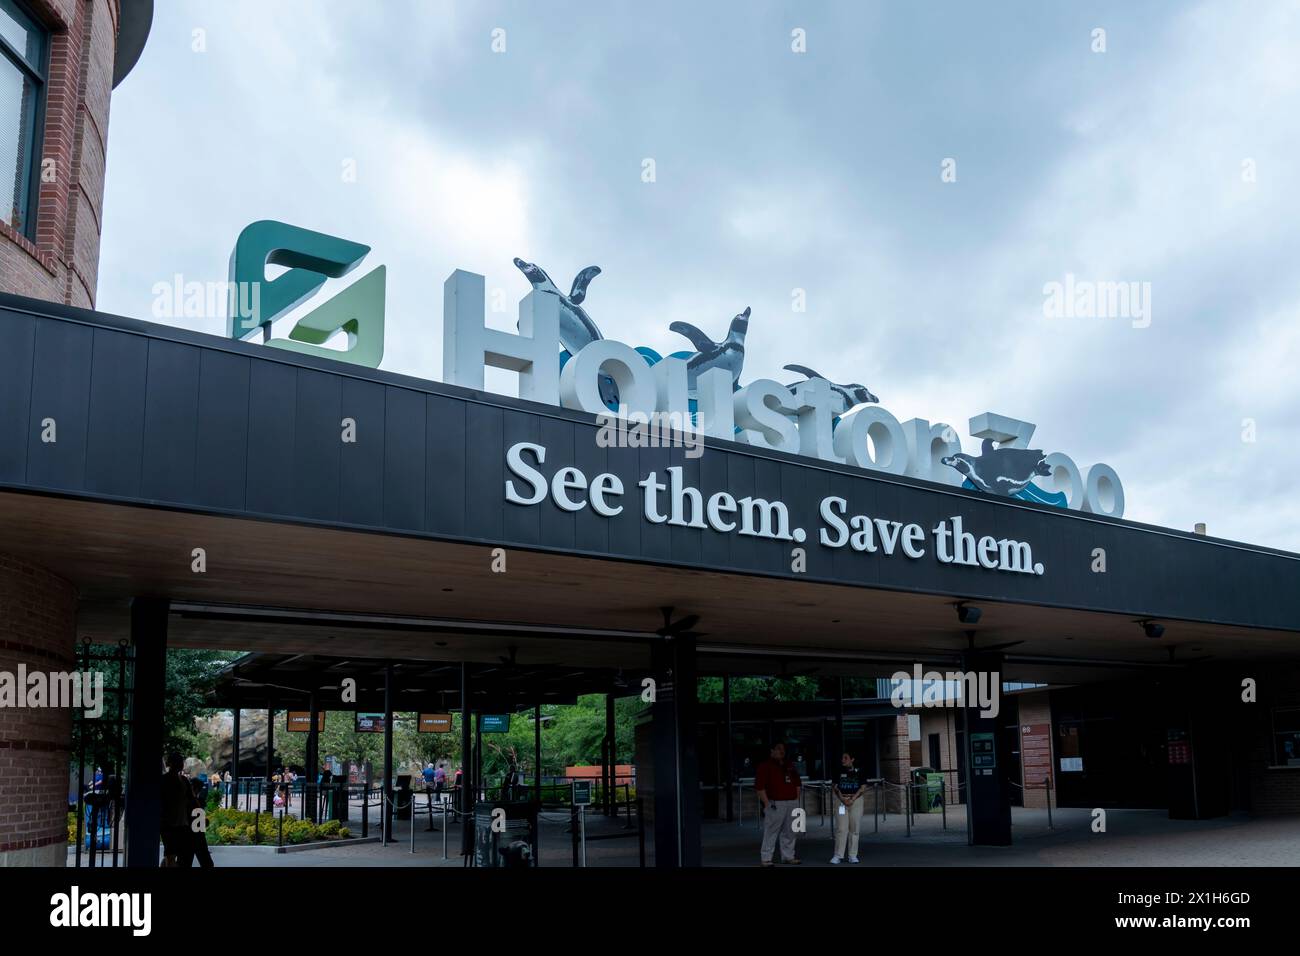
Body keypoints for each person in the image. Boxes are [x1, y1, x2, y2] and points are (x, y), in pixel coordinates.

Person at [755, 741, 801, 866]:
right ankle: (766, 858)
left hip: (791, 802)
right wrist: (766, 804)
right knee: (771, 831)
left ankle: (788, 856)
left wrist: (796, 799)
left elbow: (797, 783)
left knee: (791, 831)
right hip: (775, 803)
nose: (782, 751)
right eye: (778, 748)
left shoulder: (789, 765)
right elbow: (760, 787)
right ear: (771, 751)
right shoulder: (765, 766)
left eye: (783, 749)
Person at [830, 751, 866, 864]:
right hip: (841, 802)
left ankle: (852, 855)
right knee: (841, 828)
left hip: (856, 801)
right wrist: (843, 799)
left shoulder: (860, 771)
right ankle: (838, 855)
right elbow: (835, 787)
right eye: (842, 758)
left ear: (852, 759)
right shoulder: (838, 770)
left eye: (845, 758)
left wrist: (852, 799)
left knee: (854, 829)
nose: (843, 760)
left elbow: (863, 787)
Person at [160, 752, 194, 866]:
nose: (180, 764)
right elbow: (192, 800)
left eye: (180, 761)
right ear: (170, 763)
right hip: (169, 824)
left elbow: (191, 800)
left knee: (176, 855)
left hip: (180, 824)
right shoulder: (165, 780)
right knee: (172, 855)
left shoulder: (183, 780)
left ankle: (166, 864)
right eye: (178, 761)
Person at [189, 777, 215, 867]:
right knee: (207, 863)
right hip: (198, 837)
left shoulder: (187, 801)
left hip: (187, 837)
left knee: (184, 862)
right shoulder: (198, 801)